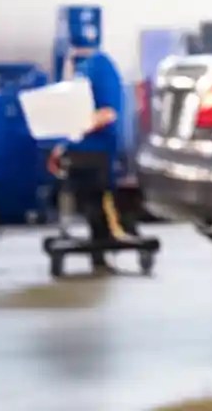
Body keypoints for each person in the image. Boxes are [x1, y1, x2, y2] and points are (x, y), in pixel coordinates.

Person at [46, 45, 128, 270]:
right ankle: (99, 249)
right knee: (80, 199)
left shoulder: (102, 67)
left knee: (97, 201)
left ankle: (106, 244)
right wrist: (61, 146)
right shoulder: (79, 68)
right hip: (79, 148)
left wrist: (80, 127)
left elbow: (108, 112)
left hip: (99, 148)